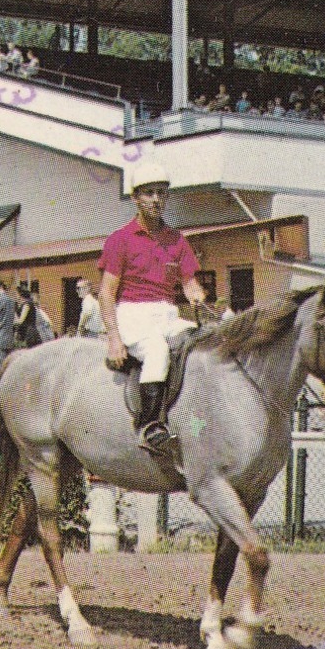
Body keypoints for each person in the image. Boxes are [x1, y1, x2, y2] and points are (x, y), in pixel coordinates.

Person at [99, 162, 206, 456]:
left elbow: (189, 284)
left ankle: (195, 421)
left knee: (204, 341)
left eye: (161, 193)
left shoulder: (177, 239)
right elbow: (106, 293)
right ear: (135, 198)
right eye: (149, 193)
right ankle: (149, 426)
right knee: (157, 351)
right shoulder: (120, 239)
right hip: (132, 314)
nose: (156, 199)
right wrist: (114, 339)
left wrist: (197, 296)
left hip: (167, 314)